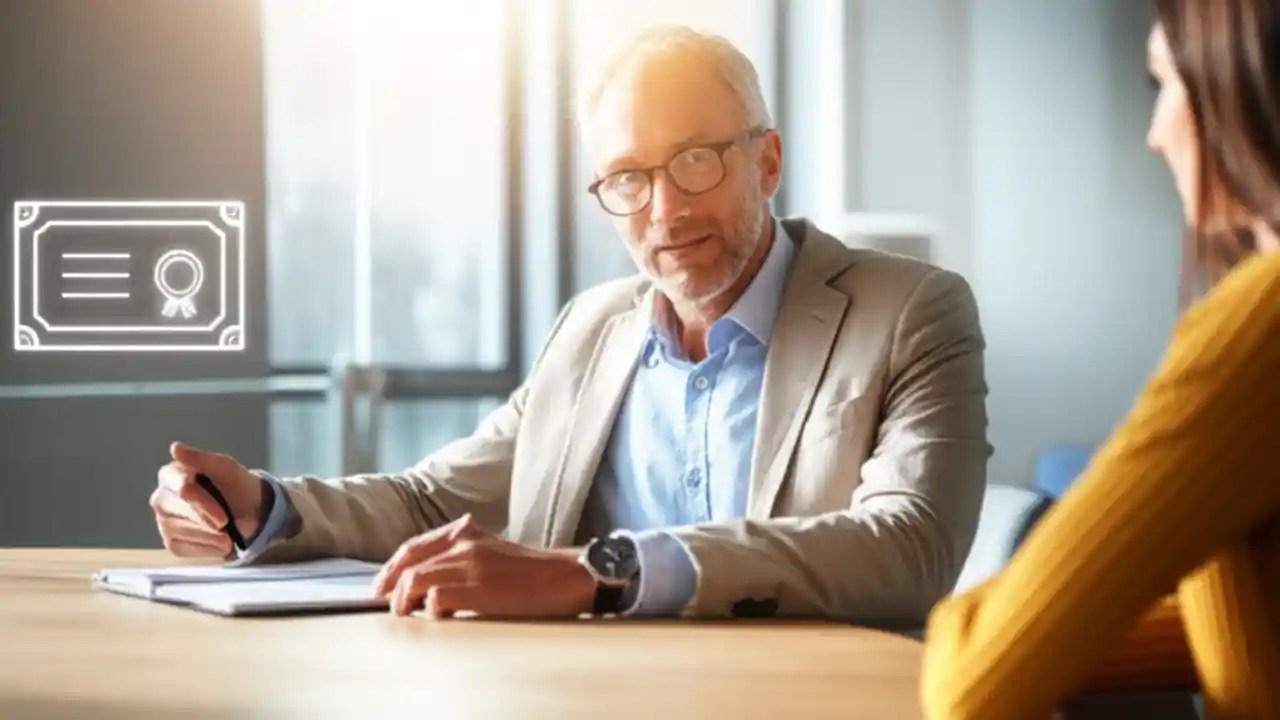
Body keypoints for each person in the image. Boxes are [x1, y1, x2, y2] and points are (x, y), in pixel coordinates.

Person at [150, 26, 989, 623]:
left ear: (766, 161)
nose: (664, 208)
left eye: (696, 161)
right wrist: (265, 506)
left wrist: (602, 572)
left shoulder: (910, 310)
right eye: (627, 177)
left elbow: (906, 548)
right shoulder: (592, 329)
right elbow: (433, 498)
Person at [922, 0, 1280, 717]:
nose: (1155, 134)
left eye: (1165, 84)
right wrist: (1074, 637)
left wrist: (957, 625)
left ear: (1246, 85)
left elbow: (975, 684)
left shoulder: (1260, 326)